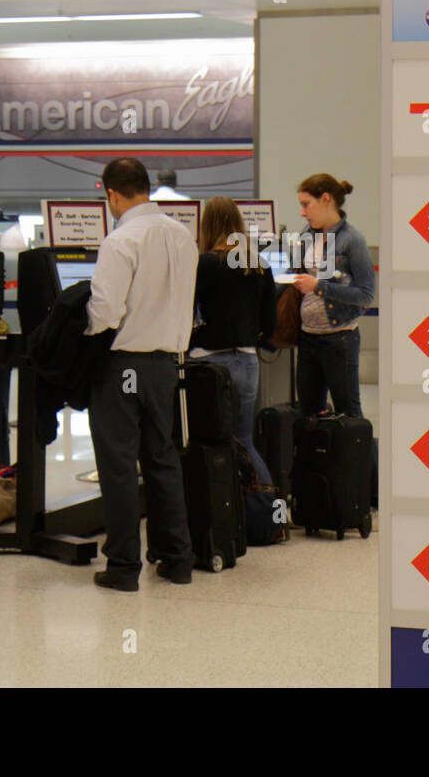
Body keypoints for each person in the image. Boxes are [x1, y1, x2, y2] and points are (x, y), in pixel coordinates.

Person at [85, 157, 198, 592]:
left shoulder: (121, 240)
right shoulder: (181, 234)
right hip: (166, 364)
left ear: (111, 194)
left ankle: (122, 566)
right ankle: (177, 558)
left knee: (117, 465)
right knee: (162, 459)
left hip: (123, 366)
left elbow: (105, 312)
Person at [189, 197, 277, 484]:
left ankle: (220, 515)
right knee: (244, 441)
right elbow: (270, 325)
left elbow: (186, 313)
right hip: (248, 361)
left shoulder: (205, 264)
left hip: (209, 364)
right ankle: (268, 510)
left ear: (207, 226)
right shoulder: (259, 265)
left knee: (210, 443)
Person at [292, 174, 376, 419]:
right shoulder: (306, 236)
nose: (302, 212)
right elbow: (295, 277)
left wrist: (319, 287)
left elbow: (365, 295)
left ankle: (363, 458)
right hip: (308, 338)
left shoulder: (353, 240)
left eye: (306, 204)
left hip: (340, 339)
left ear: (326, 199)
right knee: (308, 414)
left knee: (349, 414)